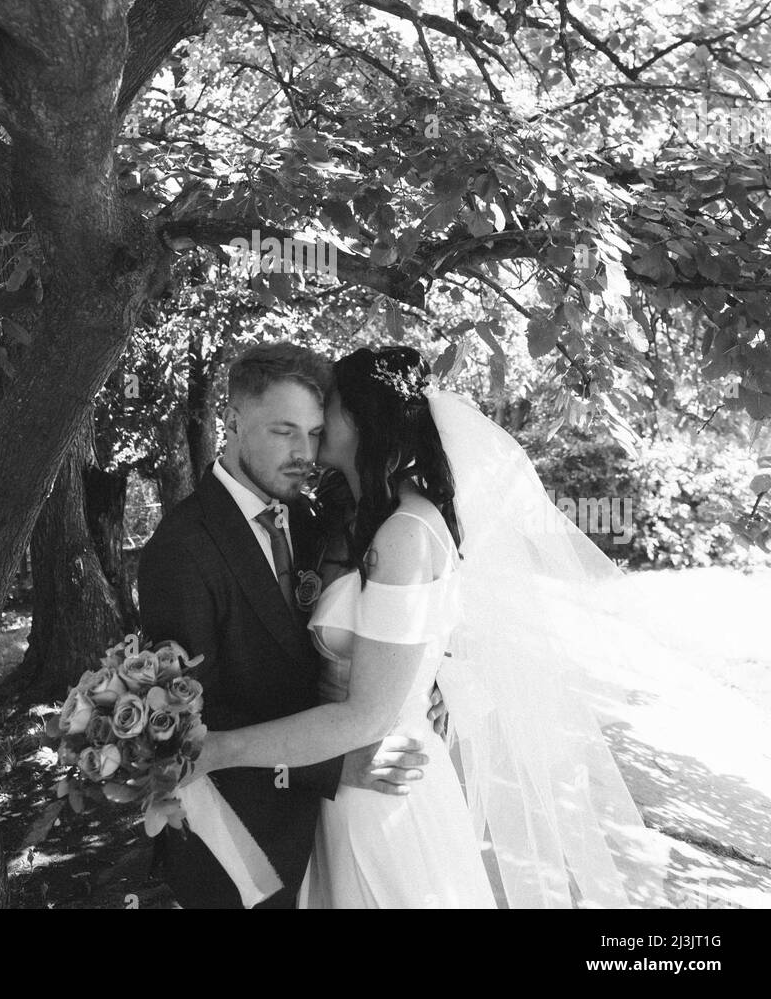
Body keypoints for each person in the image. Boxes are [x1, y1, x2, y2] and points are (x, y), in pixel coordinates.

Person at [192, 347, 672, 909]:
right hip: (334, 793)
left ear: (365, 422)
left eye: (330, 411)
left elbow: (368, 712)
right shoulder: (342, 515)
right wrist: (437, 672)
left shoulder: (405, 534)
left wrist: (217, 750)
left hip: (384, 795)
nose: (317, 426)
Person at [137, 342, 438, 910]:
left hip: (331, 828)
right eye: (283, 431)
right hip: (240, 840)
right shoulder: (179, 549)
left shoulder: (316, 518)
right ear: (231, 421)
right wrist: (336, 762)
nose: (304, 453)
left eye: (314, 432)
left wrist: (424, 679)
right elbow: (189, 719)